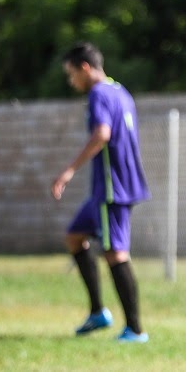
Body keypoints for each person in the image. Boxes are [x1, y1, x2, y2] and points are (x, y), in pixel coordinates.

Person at [51, 42, 151, 343]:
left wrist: (69, 170)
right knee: (74, 237)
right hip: (107, 188)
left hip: (112, 187)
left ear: (84, 68)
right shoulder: (120, 91)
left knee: (115, 253)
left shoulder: (98, 94)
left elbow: (102, 134)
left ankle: (135, 329)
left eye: (71, 74)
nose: (71, 82)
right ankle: (97, 312)